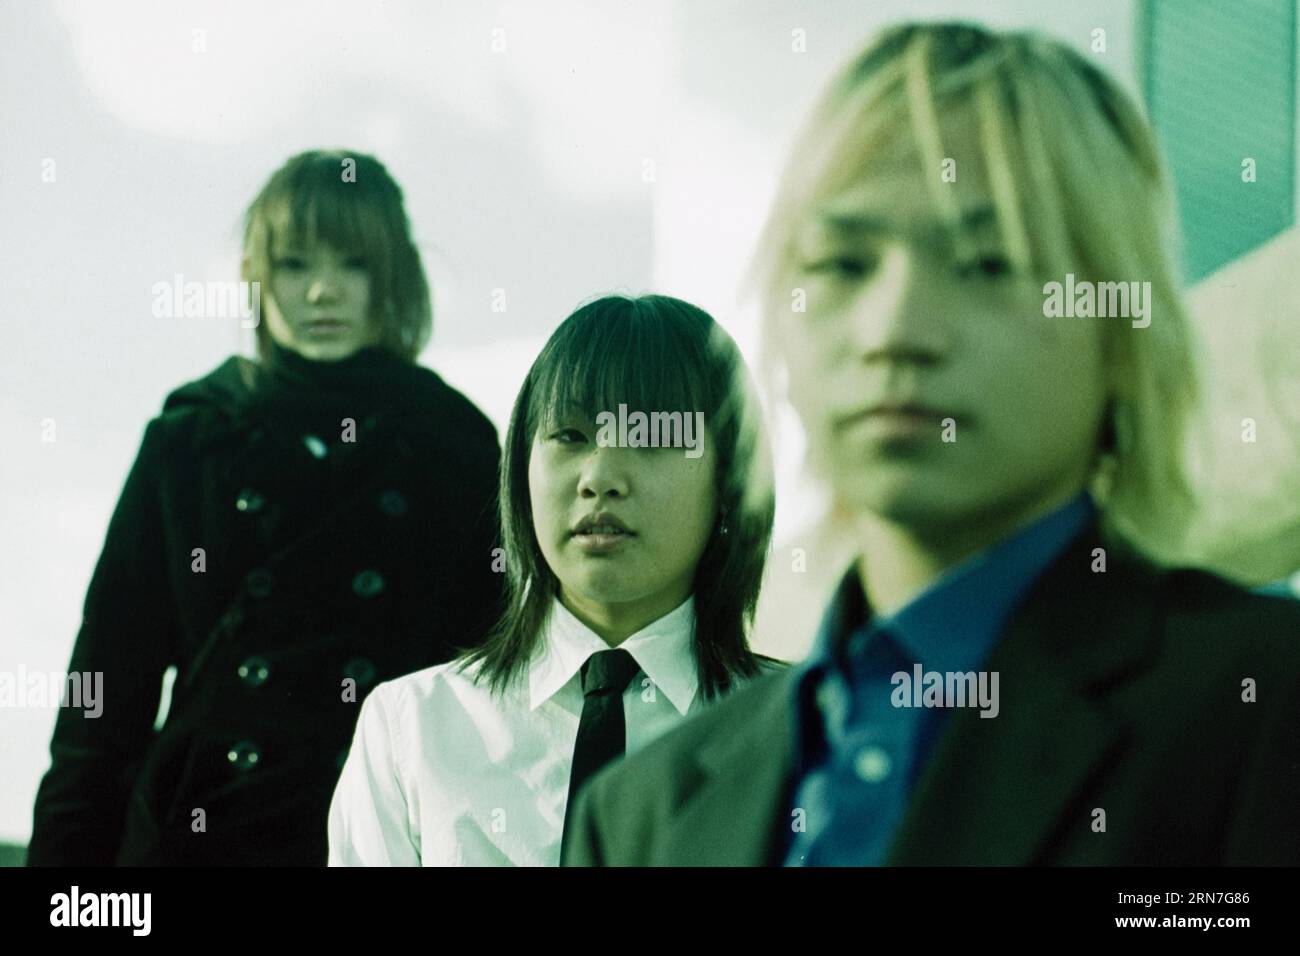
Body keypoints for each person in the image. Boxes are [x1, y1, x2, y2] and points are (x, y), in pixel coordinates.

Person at [563, 23, 1300, 866]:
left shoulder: (1263, 713)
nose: (894, 331)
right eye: (841, 264)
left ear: (1121, 336)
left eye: (990, 264)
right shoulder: (635, 817)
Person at [28, 149, 503, 866]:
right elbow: (102, 698)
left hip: (378, 836)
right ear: (257, 276)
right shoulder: (191, 438)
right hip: (199, 837)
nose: (322, 292)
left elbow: (492, 692)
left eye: (353, 263)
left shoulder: (455, 446)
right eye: (295, 265)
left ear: (394, 277)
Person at [327, 294, 781, 866]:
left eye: (654, 436)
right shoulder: (411, 730)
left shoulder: (801, 735)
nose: (600, 477)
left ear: (732, 479)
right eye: (569, 435)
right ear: (522, 469)